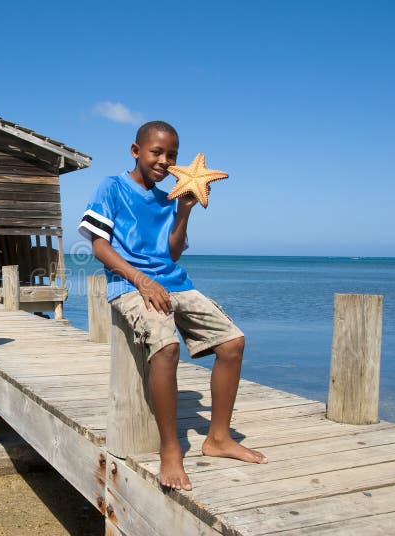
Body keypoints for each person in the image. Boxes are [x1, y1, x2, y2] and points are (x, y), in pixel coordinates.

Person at [78, 121, 267, 491]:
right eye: (156, 152)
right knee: (166, 347)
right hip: (129, 284)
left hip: (174, 282)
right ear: (136, 151)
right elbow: (99, 246)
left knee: (232, 343)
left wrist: (183, 211)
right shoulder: (112, 187)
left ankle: (218, 438)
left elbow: (174, 252)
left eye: (172, 156)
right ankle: (170, 450)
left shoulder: (171, 196)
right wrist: (141, 280)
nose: (164, 161)